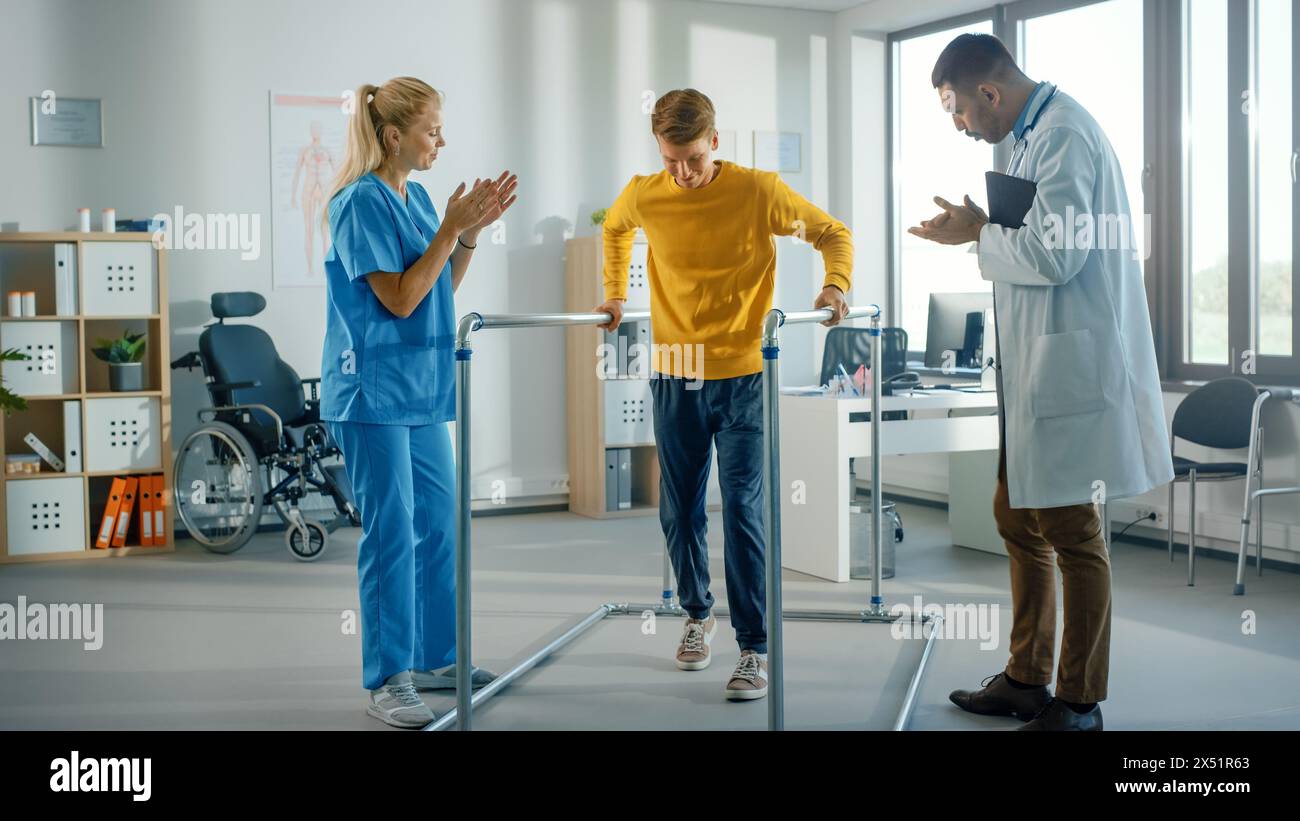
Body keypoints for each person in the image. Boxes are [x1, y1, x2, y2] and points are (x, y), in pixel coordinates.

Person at [909, 34, 1172, 731]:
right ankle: (1027, 676)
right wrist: (981, 224)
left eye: (958, 111)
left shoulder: (1065, 137)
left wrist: (975, 234)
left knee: (1072, 533)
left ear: (988, 93)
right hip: (1033, 369)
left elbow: (1057, 254)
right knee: (1014, 514)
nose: (960, 125)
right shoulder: (1029, 139)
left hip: (1072, 370)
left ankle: (1079, 702)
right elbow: (1034, 234)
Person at [596, 89, 853, 702]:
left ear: (715, 141)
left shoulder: (758, 191)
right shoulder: (644, 192)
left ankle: (753, 648)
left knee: (741, 508)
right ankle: (696, 614)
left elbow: (830, 231)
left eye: (691, 158)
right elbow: (614, 228)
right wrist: (613, 293)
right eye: (670, 160)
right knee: (679, 508)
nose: (681, 174)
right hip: (675, 370)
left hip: (743, 373)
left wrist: (835, 285)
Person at [319, 76, 519, 728]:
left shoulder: (421, 196)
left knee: (440, 524)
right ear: (394, 134)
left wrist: (467, 234)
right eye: (432, 129)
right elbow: (399, 298)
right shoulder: (357, 204)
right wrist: (447, 233)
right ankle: (388, 676)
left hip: (422, 389)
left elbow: (440, 288)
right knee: (393, 532)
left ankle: (438, 656)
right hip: (371, 392)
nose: (442, 140)